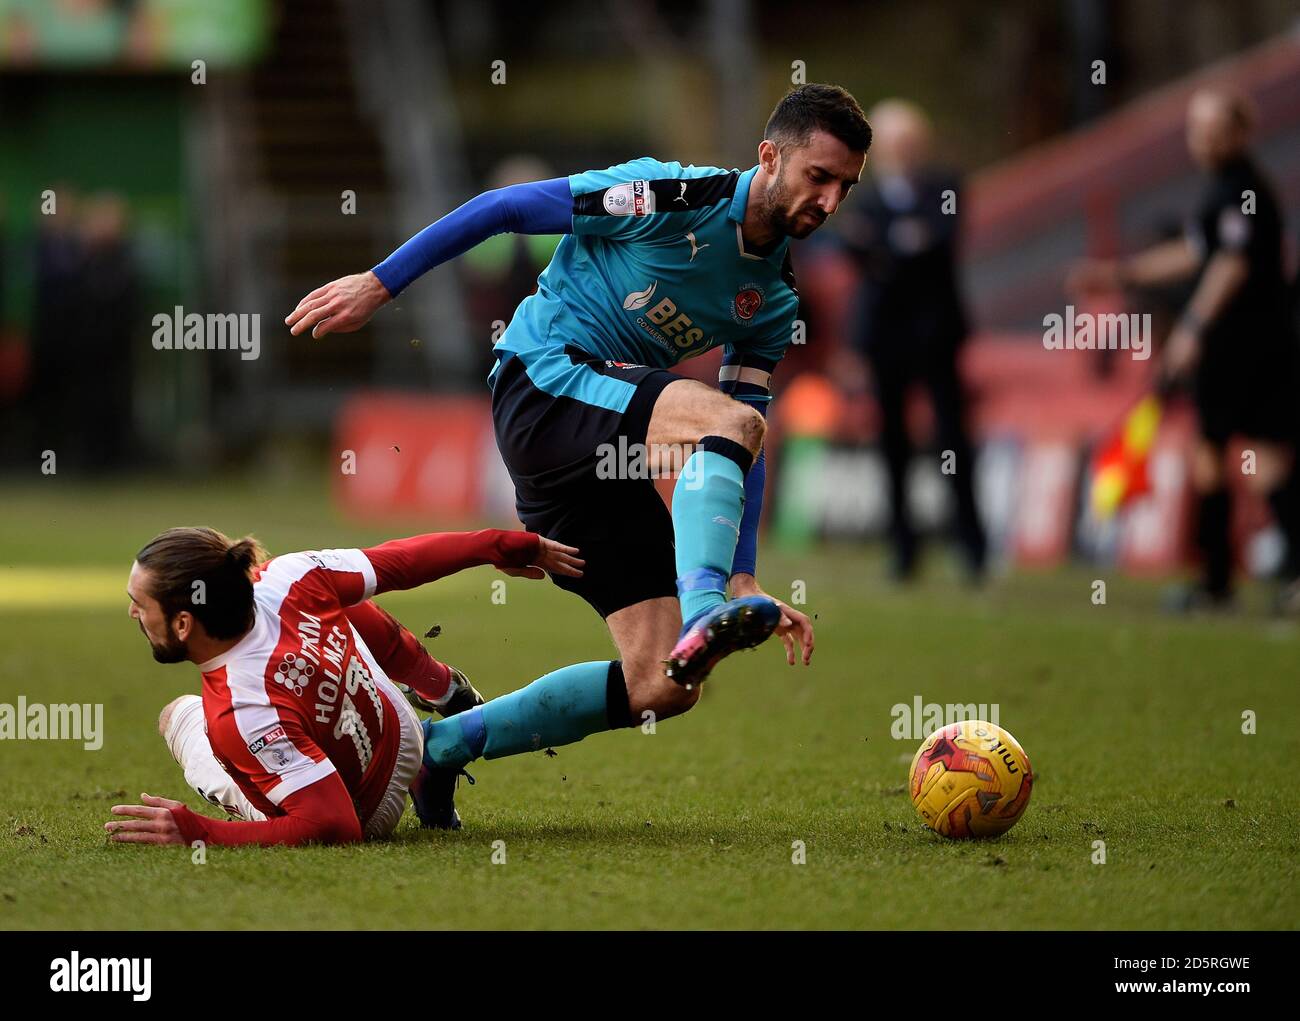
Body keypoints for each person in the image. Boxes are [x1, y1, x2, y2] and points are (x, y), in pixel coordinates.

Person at [284, 85, 865, 800]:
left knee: (664, 684)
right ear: (770, 156)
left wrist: (747, 569)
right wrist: (381, 283)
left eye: (846, 186)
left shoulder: (773, 298)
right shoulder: (670, 194)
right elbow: (506, 210)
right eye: (820, 176)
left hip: (599, 451)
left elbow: (748, 436)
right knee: (732, 424)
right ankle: (706, 601)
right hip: (545, 384)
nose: (832, 201)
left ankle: (443, 745)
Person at [105, 526, 580, 845]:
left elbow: (334, 823)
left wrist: (201, 832)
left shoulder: (239, 711)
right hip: (400, 730)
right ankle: (436, 686)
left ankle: (426, 735)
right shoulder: (285, 576)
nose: (132, 613)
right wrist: (495, 544)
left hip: (369, 808)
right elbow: (397, 562)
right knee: (333, 593)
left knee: (177, 714)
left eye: (139, 604)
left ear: (184, 624)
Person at [1069, 87, 1299, 610]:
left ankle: (1256, 575)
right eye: (1197, 129)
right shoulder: (1219, 188)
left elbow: (1230, 264)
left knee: (1260, 457)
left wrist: (1192, 326)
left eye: (1215, 128)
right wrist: (1119, 273)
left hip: (1253, 345)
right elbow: (1196, 251)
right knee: (1209, 454)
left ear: (1240, 131)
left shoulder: (1246, 189)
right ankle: (1217, 581)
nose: (1204, 139)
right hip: (1229, 347)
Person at [839, 99, 986, 581]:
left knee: (952, 437)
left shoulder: (945, 186)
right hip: (885, 338)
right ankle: (903, 550)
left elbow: (933, 243)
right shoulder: (863, 198)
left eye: (908, 141)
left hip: (936, 334)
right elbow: (856, 250)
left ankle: (972, 546)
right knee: (893, 443)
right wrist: (901, 245)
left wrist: (888, 248)